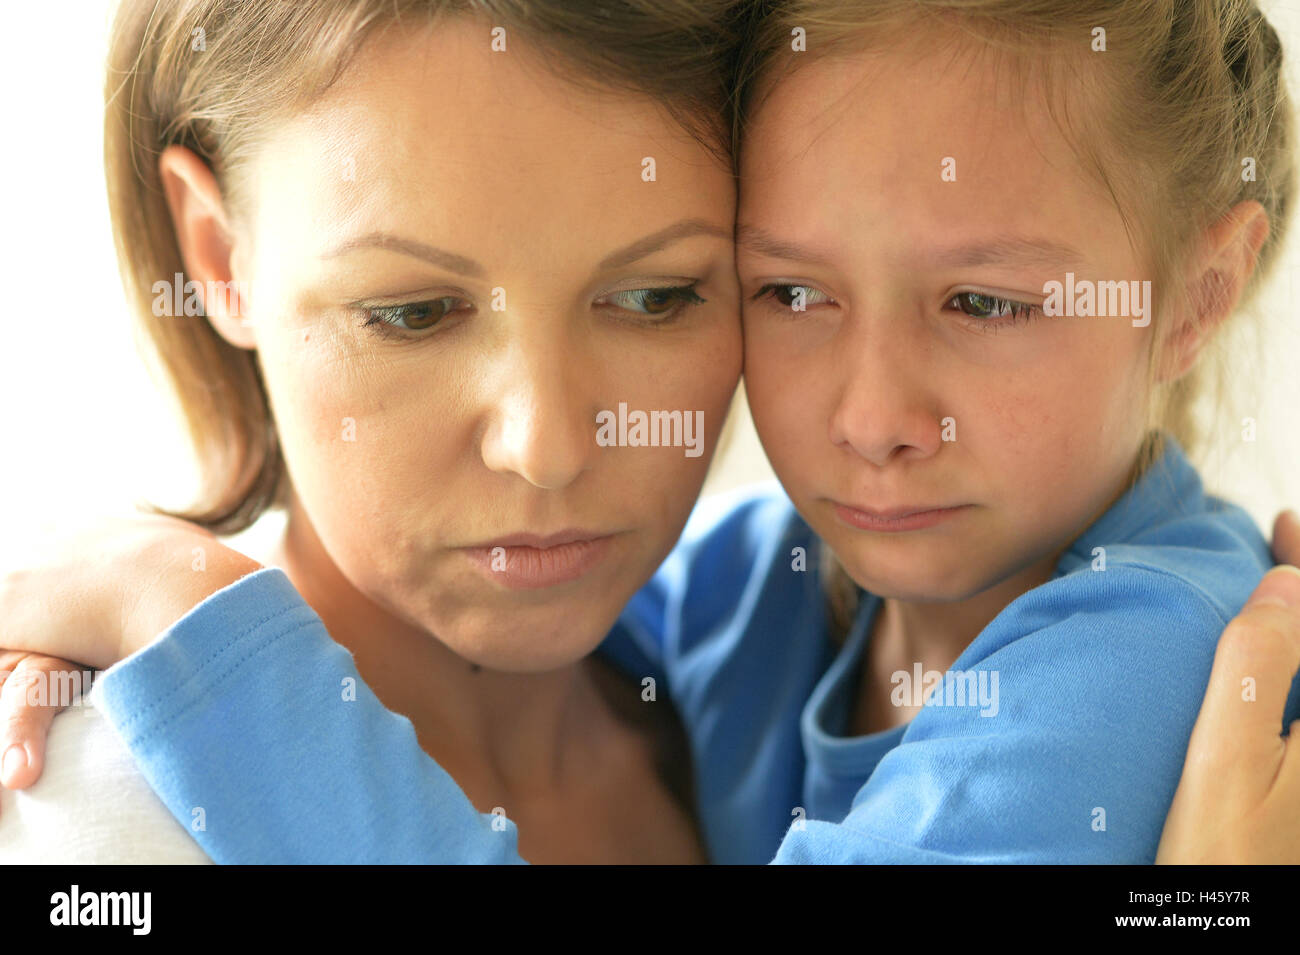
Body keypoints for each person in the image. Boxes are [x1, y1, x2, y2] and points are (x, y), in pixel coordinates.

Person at [3, 0, 1299, 863]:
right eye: (792, 292)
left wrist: (179, 596)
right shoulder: (754, 591)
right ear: (217, 256)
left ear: (1194, 296)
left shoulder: (1161, 653)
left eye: (653, 294)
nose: (551, 450)